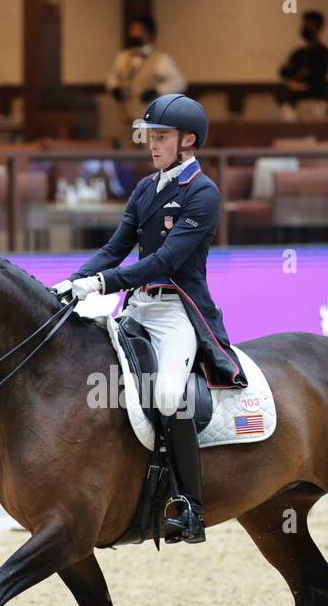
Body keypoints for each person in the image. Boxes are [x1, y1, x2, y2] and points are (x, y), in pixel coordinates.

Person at [53, 94, 248, 545]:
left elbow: (164, 260)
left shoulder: (203, 193)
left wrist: (102, 285)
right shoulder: (145, 188)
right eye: (150, 136)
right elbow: (115, 248)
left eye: (161, 137)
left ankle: (191, 507)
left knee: (165, 395)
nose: (152, 144)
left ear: (188, 141)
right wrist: (73, 281)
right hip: (138, 305)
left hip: (177, 309)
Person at [104, 16, 186, 148]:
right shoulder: (123, 56)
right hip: (126, 117)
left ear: (150, 34)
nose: (134, 33)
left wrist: (157, 91)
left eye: (138, 30)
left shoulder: (160, 58)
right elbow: (112, 77)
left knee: (148, 155)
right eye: (132, 29)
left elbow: (179, 82)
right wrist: (114, 88)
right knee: (126, 156)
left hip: (150, 120)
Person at [278, 10, 328, 105]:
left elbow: (317, 77)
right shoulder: (299, 53)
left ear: (318, 27)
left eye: (309, 25)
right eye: (304, 24)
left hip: (315, 101)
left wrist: (300, 79)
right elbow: (284, 72)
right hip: (296, 100)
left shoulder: (323, 53)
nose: (305, 28)